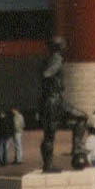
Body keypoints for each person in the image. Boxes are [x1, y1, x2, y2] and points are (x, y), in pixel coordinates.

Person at [38, 36, 68, 171]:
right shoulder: (57, 60)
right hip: (53, 99)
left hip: (52, 99)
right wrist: (54, 80)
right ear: (59, 47)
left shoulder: (48, 59)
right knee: (50, 134)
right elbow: (46, 74)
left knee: (49, 134)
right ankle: (48, 165)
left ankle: (48, 164)